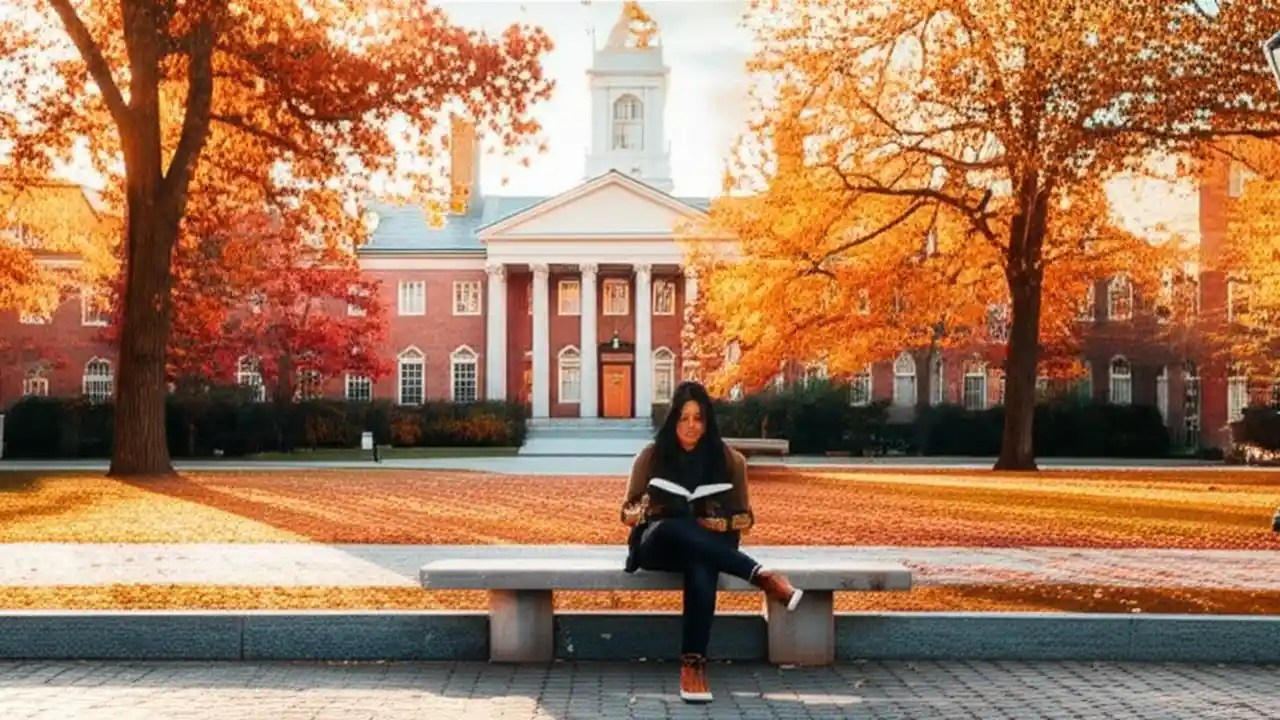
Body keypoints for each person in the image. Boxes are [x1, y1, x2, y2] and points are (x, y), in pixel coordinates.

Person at [619, 380, 802, 704]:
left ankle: (694, 665)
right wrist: (646, 507)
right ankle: (761, 575)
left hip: (710, 545)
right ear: (673, 420)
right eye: (683, 418)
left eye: (698, 418)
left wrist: (721, 522)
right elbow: (626, 513)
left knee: (700, 561)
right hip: (658, 546)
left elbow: (745, 518)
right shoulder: (650, 456)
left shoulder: (729, 461)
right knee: (668, 529)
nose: (691, 426)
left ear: (708, 421)